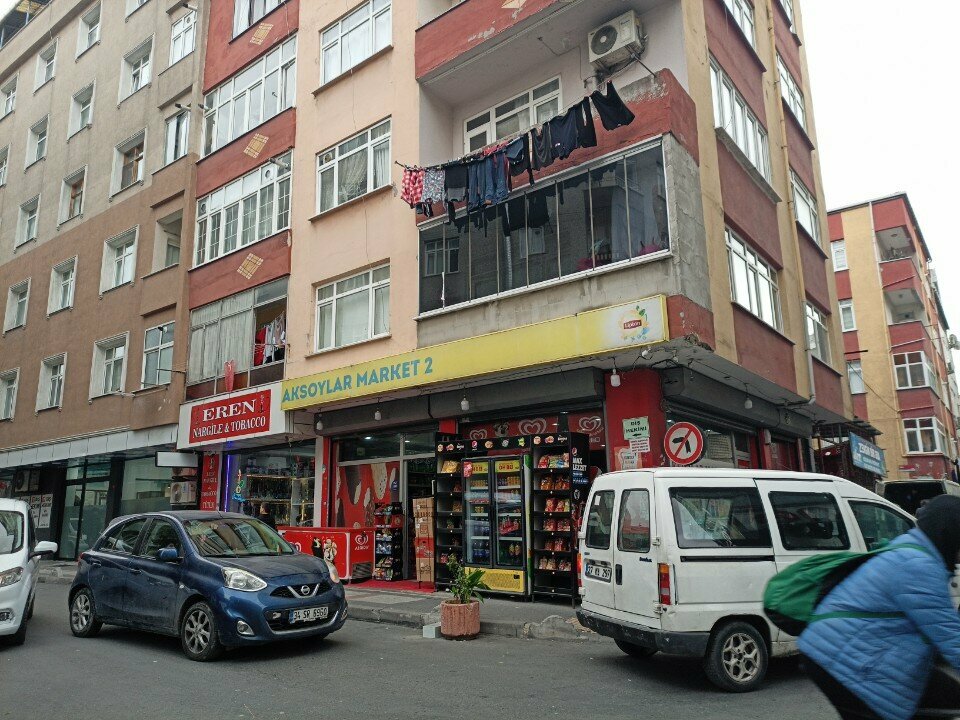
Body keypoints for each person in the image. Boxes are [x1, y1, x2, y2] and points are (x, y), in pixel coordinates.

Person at [798, 494, 960, 720]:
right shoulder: (918, 566)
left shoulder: (913, 548)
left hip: (848, 651)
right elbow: (951, 638)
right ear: (949, 533)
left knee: (949, 697)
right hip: (845, 660)